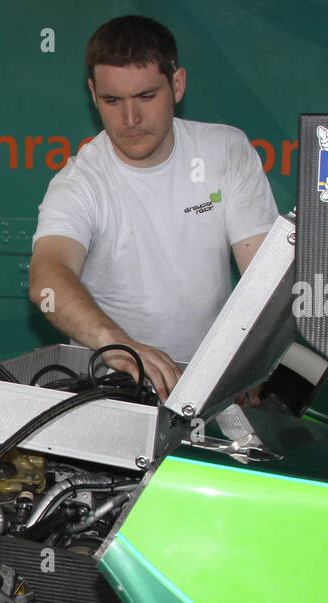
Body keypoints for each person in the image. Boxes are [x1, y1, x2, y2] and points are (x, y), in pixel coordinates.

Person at [28, 16, 278, 399]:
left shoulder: (226, 151)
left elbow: (265, 276)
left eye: (146, 97)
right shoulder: (79, 181)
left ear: (177, 85)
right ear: (93, 94)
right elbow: (47, 279)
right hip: (106, 388)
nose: (130, 119)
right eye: (113, 101)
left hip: (208, 385)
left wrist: (243, 365)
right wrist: (122, 350)